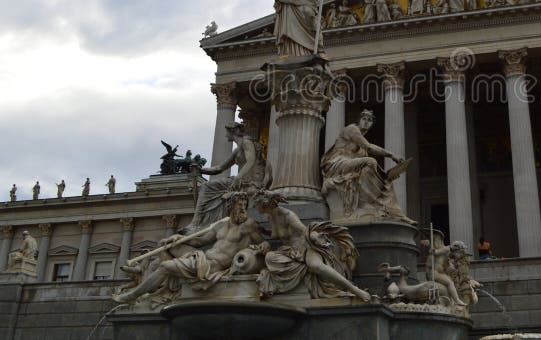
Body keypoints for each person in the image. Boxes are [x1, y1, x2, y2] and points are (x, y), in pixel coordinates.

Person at [113, 192, 265, 303]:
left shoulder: (248, 225)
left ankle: (132, 295)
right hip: (202, 258)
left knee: (166, 266)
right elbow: (199, 241)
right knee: (165, 245)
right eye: (240, 206)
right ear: (231, 207)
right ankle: (167, 287)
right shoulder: (221, 224)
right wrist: (179, 238)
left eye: (245, 206)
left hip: (213, 267)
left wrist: (264, 246)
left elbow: (263, 244)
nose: (244, 209)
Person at [253, 189, 370, 301]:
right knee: (269, 257)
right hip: (289, 251)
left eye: (256, 204)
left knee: (315, 266)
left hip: (304, 247)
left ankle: (354, 289)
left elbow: (305, 230)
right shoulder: (271, 216)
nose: (255, 207)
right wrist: (261, 232)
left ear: (265, 204)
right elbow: (275, 234)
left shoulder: (287, 215)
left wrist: (316, 238)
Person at [320, 110, 412, 224]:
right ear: (358, 120)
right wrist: (391, 155)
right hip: (336, 164)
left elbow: (367, 159)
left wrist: (385, 175)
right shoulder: (352, 129)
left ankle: (395, 213)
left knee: (386, 182)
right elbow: (369, 147)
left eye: (370, 120)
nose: (366, 122)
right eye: (364, 119)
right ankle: (375, 204)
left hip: (348, 165)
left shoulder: (362, 149)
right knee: (370, 161)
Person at [183, 122, 268, 233]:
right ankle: (199, 223)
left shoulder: (246, 143)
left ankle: (196, 223)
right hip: (239, 181)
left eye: (227, 132)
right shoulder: (237, 151)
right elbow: (220, 168)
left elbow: (250, 160)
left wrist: (238, 177)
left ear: (233, 131)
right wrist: (201, 170)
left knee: (206, 187)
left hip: (248, 182)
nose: (225, 135)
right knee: (205, 186)